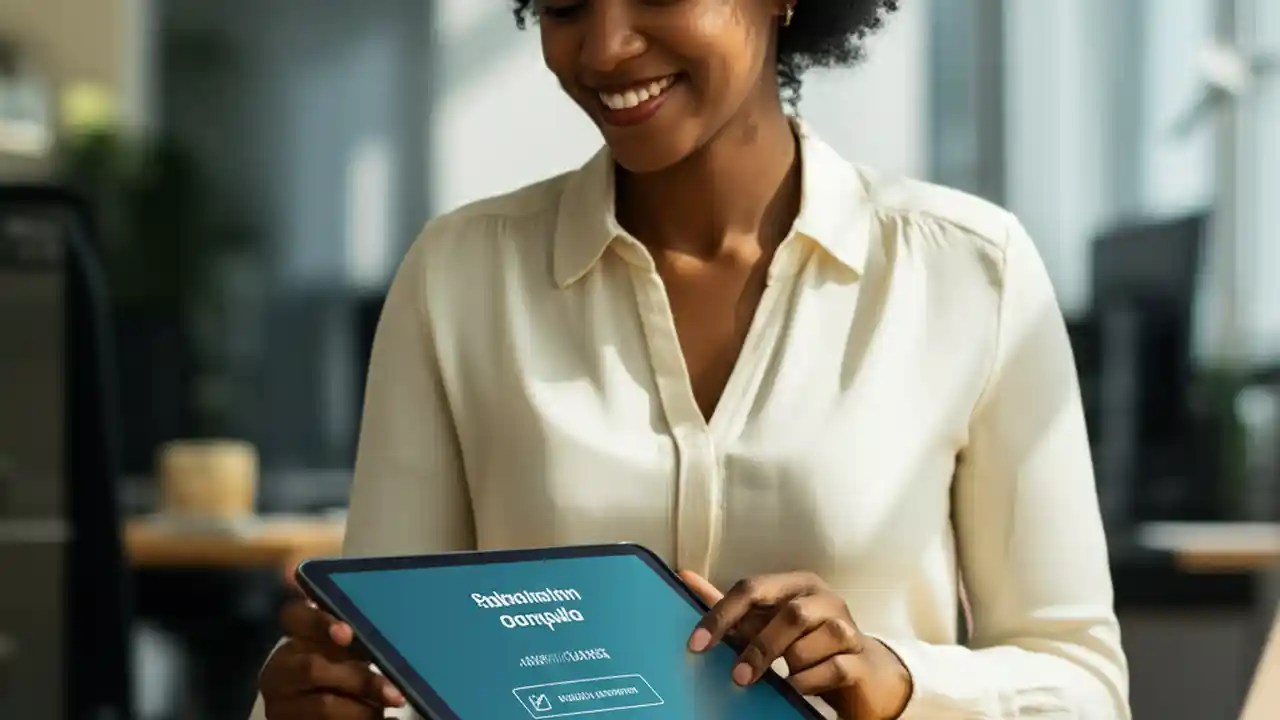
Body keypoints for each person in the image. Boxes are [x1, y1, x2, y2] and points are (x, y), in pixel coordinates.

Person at [252, 0, 1131, 718]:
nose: (605, 47)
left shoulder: (971, 271)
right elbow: (390, 663)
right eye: (565, 6)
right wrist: (321, 703)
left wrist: (893, 680)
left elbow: (1083, 686)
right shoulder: (459, 276)